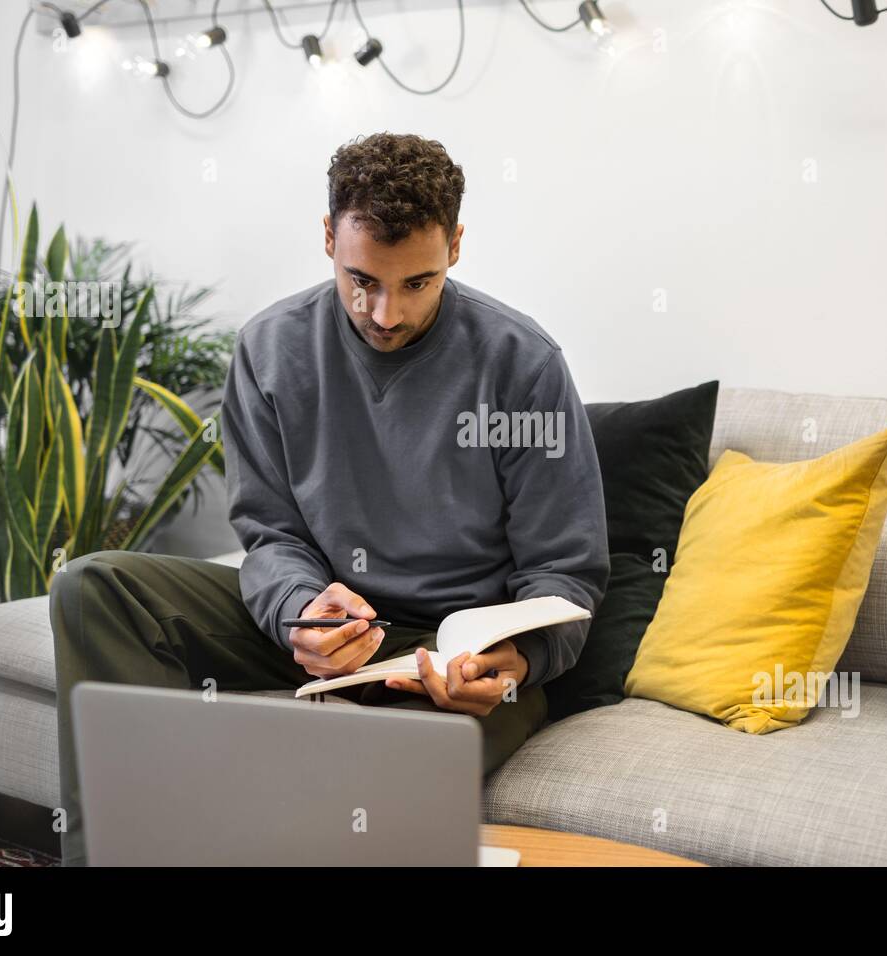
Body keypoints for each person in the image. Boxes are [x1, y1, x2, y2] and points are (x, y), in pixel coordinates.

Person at [49, 131, 609, 866]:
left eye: (418, 283)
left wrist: (516, 660)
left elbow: (565, 575)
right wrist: (297, 611)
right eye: (362, 280)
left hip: (447, 662)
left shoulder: (521, 365)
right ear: (327, 237)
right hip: (325, 624)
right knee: (93, 587)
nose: (384, 313)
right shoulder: (270, 349)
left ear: (457, 247)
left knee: (372, 772)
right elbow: (271, 534)